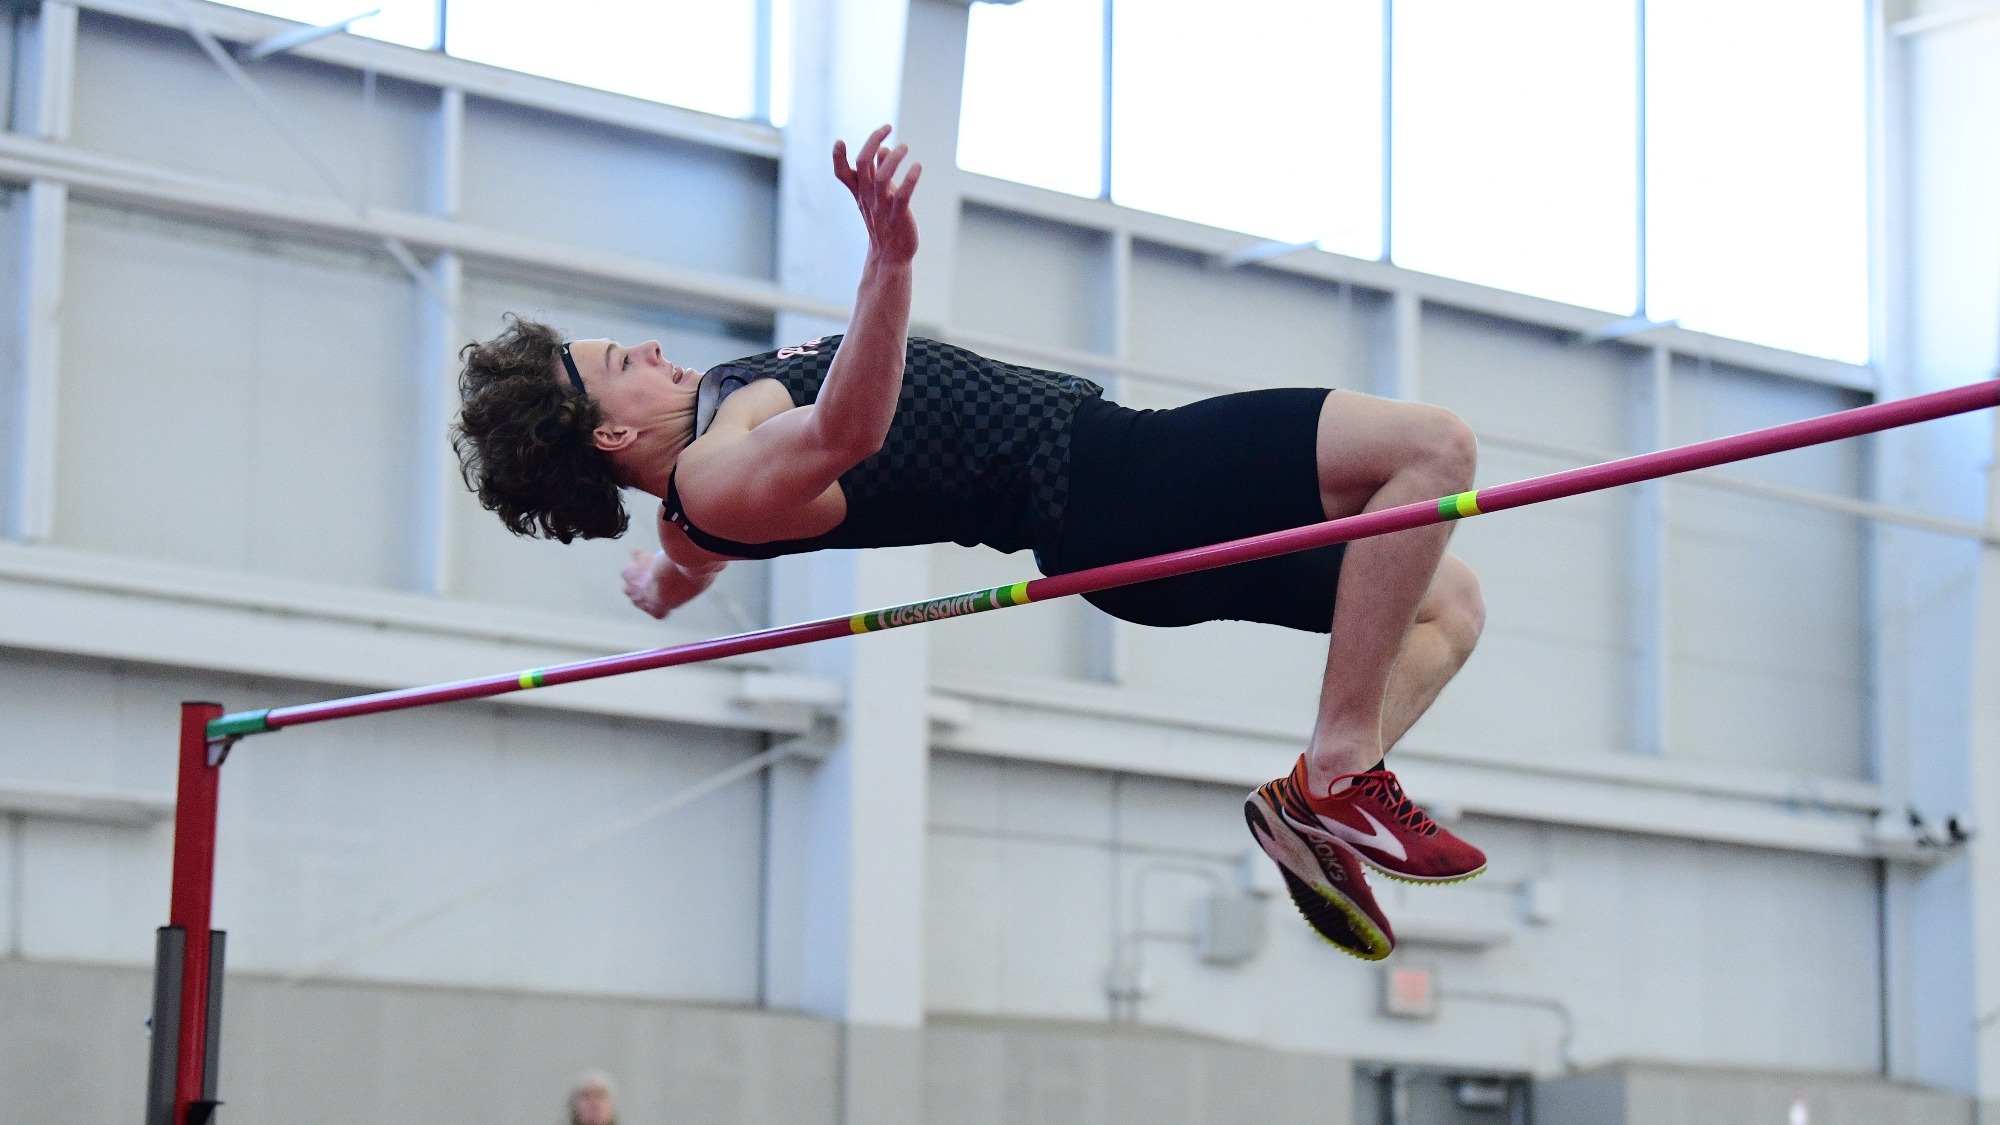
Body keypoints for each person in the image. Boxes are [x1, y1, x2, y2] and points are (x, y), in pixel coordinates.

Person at [451, 126, 1486, 962]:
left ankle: (1306, 803)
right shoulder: (716, 472)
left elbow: (689, 556)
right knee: (1431, 448)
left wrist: (664, 588)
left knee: (1449, 603)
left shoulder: (693, 506)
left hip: (1121, 497)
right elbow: (844, 432)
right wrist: (889, 268)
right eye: (625, 360)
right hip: (1122, 487)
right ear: (611, 434)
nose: (656, 351)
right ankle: (1340, 772)